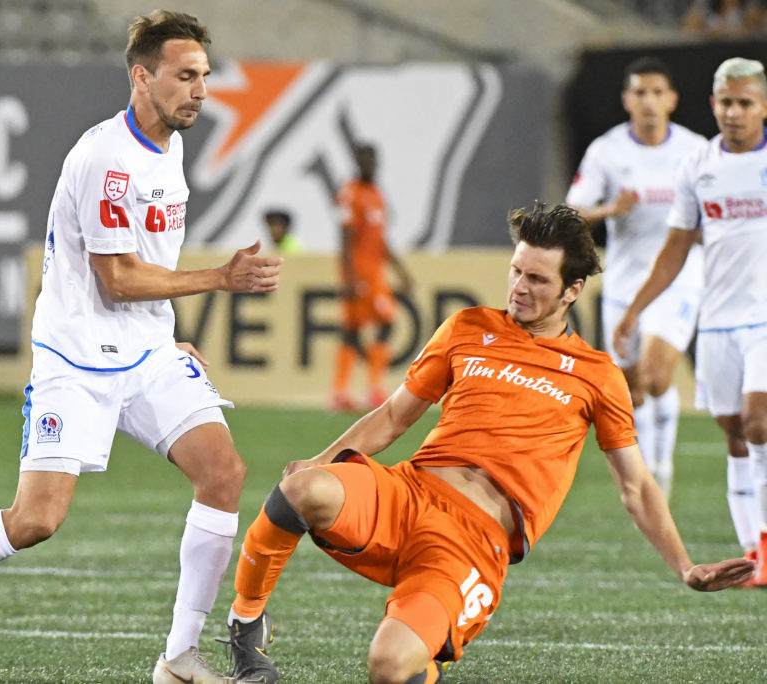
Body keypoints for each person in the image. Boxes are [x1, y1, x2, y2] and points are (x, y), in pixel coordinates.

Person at [0, 10, 284, 683]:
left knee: (222, 473)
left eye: (205, 77)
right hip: (76, 361)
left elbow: (146, 264)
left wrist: (167, 334)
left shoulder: (171, 144)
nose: (201, 90)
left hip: (146, 350)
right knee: (37, 520)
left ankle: (179, 658)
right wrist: (220, 279)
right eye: (186, 76)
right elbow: (118, 276)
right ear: (142, 77)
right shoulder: (105, 157)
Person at [221, 203, 752, 684]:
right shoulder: (467, 328)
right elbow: (391, 418)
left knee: (389, 665)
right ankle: (247, 629)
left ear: (572, 290)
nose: (520, 287)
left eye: (538, 279)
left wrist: (685, 565)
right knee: (304, 488)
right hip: (407, 494)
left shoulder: (598, 376)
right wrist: (316, 461)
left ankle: (425, 659)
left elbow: (636, 485)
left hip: (472, 544)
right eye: (516, 271)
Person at [614, 57, 767, 587]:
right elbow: (676, 249)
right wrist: (635, 309)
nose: (734, 112)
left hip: (765, 320)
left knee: (759, 422)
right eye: (726, 102)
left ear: (763, 107)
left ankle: (766, 545)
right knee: (735, 435)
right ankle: (754, 554)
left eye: (745, 103)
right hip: (719, 319)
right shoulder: (697, 166)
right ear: (712, 105)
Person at [565, 57, 708, 500]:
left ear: (672, 100)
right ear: (627, 100)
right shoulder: (607, 151)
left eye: (656, 93)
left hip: (680, 276)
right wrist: (608, 211)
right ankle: (649, 471)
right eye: (639, 93)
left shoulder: (695, 149)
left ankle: (658, 470)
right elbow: (571, 213)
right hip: (624, 283)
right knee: (630, 385)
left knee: (657, 374)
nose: (648, 101)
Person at [330, 143, 414, 412]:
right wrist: (349, 278)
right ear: (356, 162)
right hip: (361, 275)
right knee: (386, 321)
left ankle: (340, 392)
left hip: (374, 274)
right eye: (365, 161)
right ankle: (374, 389)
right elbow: (344, 238)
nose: (370, 165)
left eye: (373, 160)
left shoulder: (377, 193)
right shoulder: (350, 194)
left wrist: (401, 271)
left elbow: (380, 239)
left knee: (352, 330)